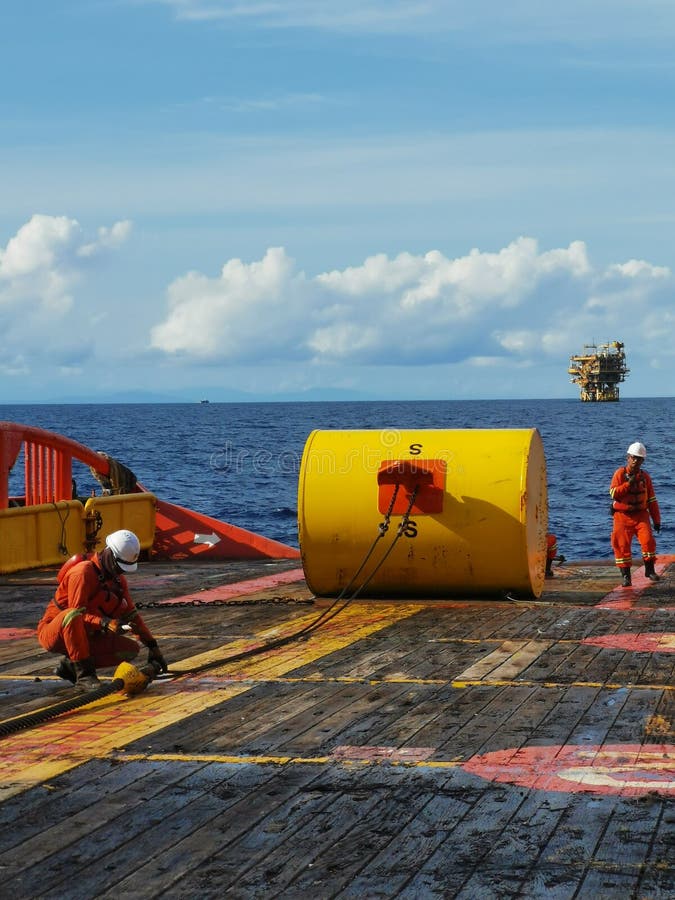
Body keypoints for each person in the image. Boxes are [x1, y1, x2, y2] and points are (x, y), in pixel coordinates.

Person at [37, 529, 168, 691]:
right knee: (72, 615)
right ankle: (85, 676)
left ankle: (71, 666)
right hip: (56, 632)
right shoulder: (83, 572)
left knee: (129, 650)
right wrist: (105, 623)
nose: (120, 572)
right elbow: (77, 613)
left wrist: (153, 646)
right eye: (119, 567)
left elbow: (131, 614)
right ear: (109, 555)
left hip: (85, 635)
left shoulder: (118, 580)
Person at [609, 442, 661, 587]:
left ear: (643, 460)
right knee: (621, 545)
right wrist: (628, 484)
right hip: (622, 516)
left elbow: (652, 499)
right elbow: (613, 493)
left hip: (641, 515)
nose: (636, 461)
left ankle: (649, 570)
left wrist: (656, 520)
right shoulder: (619, 474)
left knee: (648, 541)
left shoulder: (645, 477)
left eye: (639, 458)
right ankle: (626, 576)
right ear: (628, 457)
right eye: (633, 457)